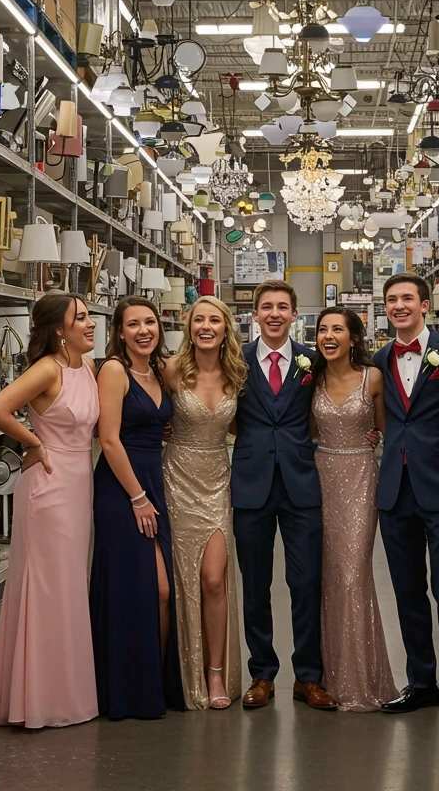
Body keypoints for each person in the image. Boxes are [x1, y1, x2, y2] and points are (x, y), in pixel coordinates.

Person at [0, 294, 99, 729]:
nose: (90, 324)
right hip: (48, 487)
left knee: (67, 586)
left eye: (89, 317)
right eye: (80, 318)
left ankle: (62, 694)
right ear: (58, 331)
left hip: (78, 483)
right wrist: (34, 442)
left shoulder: (86, 368)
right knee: (47, 588)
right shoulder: (48, 368)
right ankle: (40, 700)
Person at [231, 279, 336, 711]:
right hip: (251, 483)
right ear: (255, 314)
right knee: (255, 584)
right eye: (266, 307)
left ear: (295, 315)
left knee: (305, 582)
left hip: (301, 483)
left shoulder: (314, 362)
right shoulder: (234, 361)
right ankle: (262, 673)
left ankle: (308, 676)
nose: (274, 314)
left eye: (283, 307)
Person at [373, 272, 439, 731]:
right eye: (392, 300)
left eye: (407, 298)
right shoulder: (378, 357)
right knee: (407, 591)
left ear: (425, 305)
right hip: (394, 490)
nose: (399, 306)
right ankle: (421, 683)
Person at [90, 296, 184, 720]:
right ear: (120, 331)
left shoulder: (160, 371)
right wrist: (137, 497)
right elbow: (108, 439)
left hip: (153, 481)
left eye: (150, 322)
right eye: (133, 325)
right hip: (122, 487)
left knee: (160, 591)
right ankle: (127, 690)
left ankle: (154, 686)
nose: (144, 330)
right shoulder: (114, 370)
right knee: (140, 588)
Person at [161, 296, 247, 710]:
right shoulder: (171, 370)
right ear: (188, 324)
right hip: (175, 479)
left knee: (214, 579)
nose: (206, 326)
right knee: (179, 580)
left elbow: (247, 424)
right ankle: (179, 670)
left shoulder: (238, 374)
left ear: (226, 327)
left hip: (217, 482)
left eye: (215, 320)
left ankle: (215, 673)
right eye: (199, 320)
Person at [311, 306, 398, 712]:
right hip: (320, 475)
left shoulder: (373, 378)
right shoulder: (310, 378)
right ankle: (329, 676)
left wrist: (371, 438)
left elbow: (383, 429)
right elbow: (305, 429)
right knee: (328, 574)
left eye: (337, 330)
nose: (328, 336)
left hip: (361, 476)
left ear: (353, 338)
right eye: (322, 329)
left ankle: (362, 679)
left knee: (352, 574)